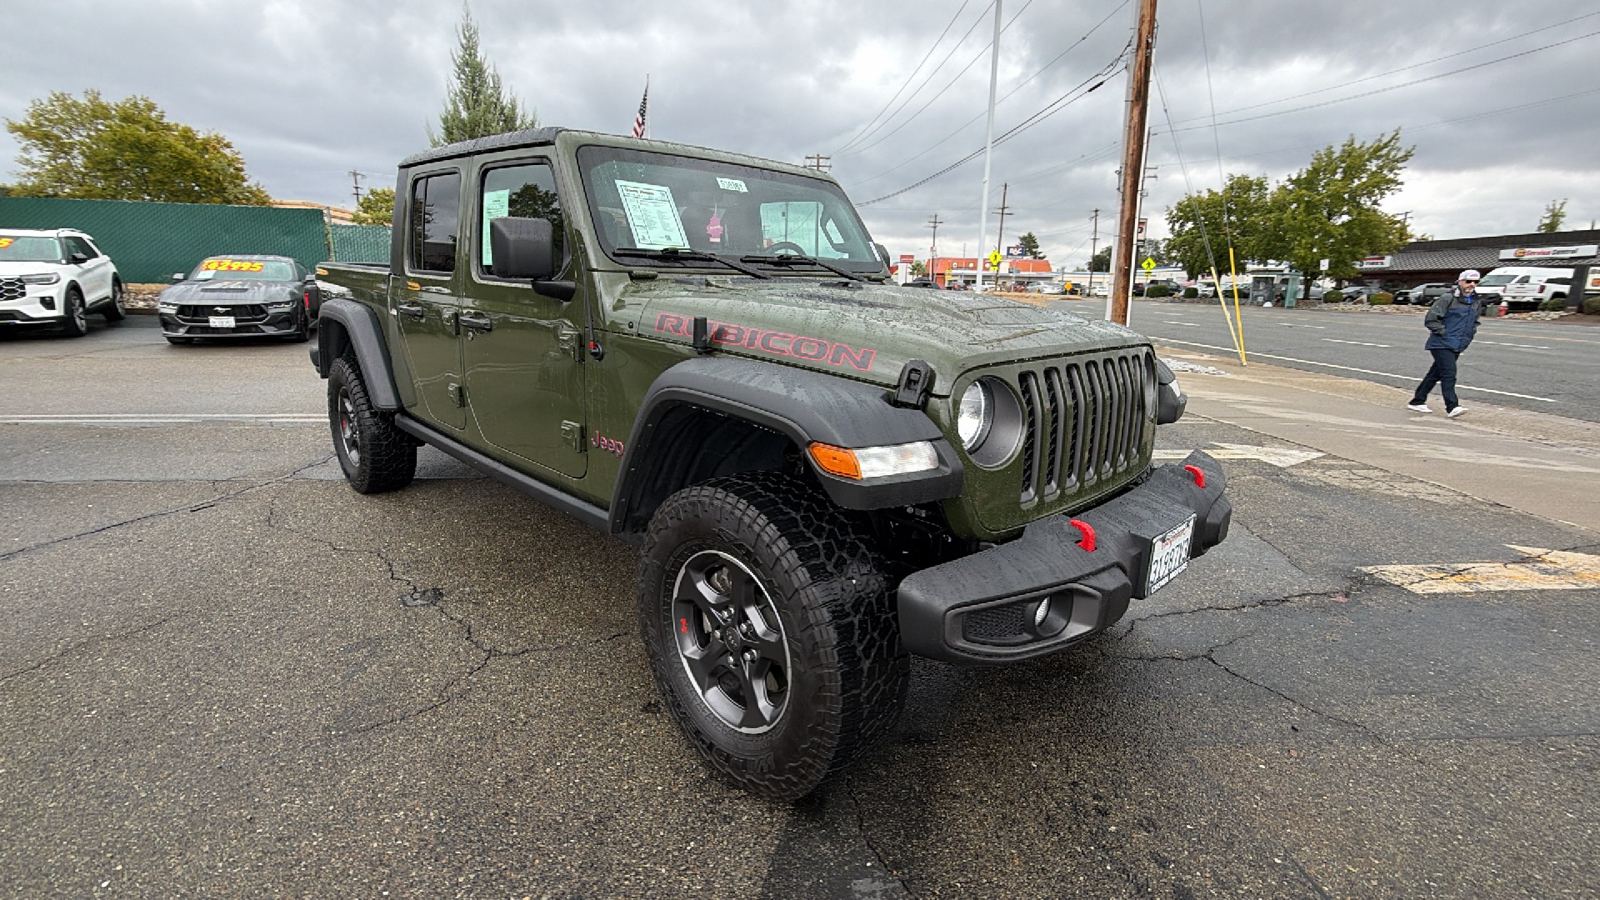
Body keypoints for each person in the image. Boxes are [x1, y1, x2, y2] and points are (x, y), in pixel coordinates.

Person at [1407, 269, 1486, 417]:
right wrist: (1444, 333)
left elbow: (1474, 322)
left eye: (1475, 282)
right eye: (1468, 281)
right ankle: (1452, 406)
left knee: (1435, 374)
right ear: (1460, 281)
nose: (1472, 284)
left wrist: (1469, 335)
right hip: (1441, 343)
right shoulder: (1447, 298)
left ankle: (1417, 401)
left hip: (1458, 344)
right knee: (1449, 374)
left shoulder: (1475, 301)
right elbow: (1431, 319)